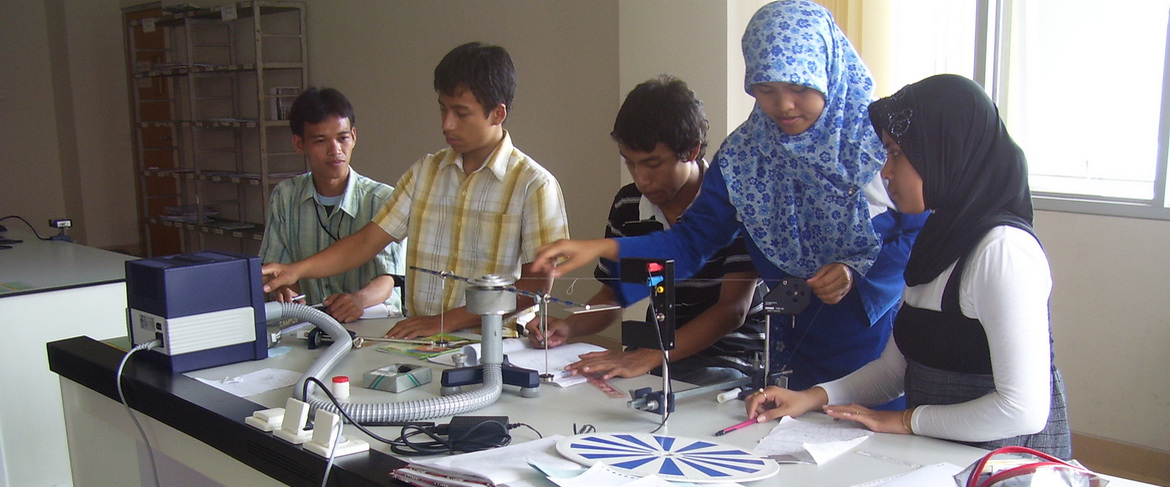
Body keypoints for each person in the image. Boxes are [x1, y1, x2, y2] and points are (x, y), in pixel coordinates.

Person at [532, 0, 925, 393]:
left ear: (828, 72)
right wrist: (600, 248)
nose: (783, 105)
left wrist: (854, 271)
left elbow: (922, 236)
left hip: (871, 352)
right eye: (766, 90)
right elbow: (690, 243)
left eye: (800, 88)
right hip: (789, 347)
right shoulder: (743, 158)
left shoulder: (878, 144)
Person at [744, 74, 1073, 459]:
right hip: (942, 456)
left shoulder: (1002, 251)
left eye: (897, 152)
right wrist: (810, 398)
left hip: (1006, 465)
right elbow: (892, 371)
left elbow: (1023, 411)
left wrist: (904, 421)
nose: (884, 171)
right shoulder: (938, 238)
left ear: (945, 151)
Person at [262, 42, 570, 338]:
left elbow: (534, 288)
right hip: (420, 340)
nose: (447, 124)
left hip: (494, 345)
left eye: (461, 113)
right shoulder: (426, 172)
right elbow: (367, 241)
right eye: (443, 110)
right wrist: (295, 271)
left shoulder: (534, 184)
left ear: (497, 114)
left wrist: (444, 322)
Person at [526, 75, 766, 386]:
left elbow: (732, 310)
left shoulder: (732, 201)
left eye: (653, 164)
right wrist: (568, 327)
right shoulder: (629, 203)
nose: (642, 179)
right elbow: (613, 294)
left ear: (691, 151)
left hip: (732, 360)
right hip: (658, 354)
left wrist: (650, 356)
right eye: (631, 163)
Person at [259, 87, 406, 323]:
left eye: (342, 138)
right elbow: (278, 270)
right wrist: (285, 290)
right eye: (320, 141)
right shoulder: (285, 197)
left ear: (354, 136)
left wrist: (358, 300)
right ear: (299, 144)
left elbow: (389, 279)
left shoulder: (381, 199)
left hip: (372, 323)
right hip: (309, 324)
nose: (335, 150)